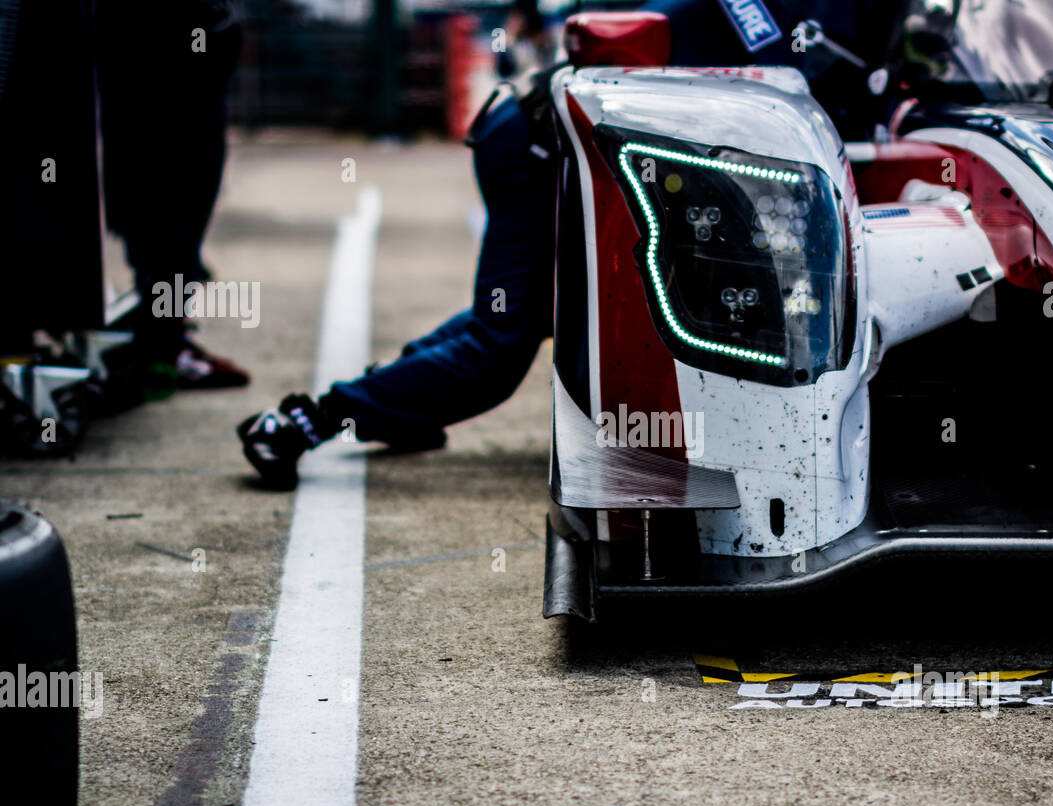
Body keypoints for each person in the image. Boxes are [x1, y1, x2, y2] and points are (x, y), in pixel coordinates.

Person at [238, 0, 900, 490]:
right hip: (533, 148)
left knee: (522, 317)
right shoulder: (761, 11)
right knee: (501, 346)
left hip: (599, 158)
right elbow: (604, 38)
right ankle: (312, 419)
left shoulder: (889, 22)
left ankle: (398, 406)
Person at [98, 0, 251, 391]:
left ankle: (160, 335)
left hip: (148, 78)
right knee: (172, 218)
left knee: (159, 216)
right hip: (167, 84)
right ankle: (162, 348)